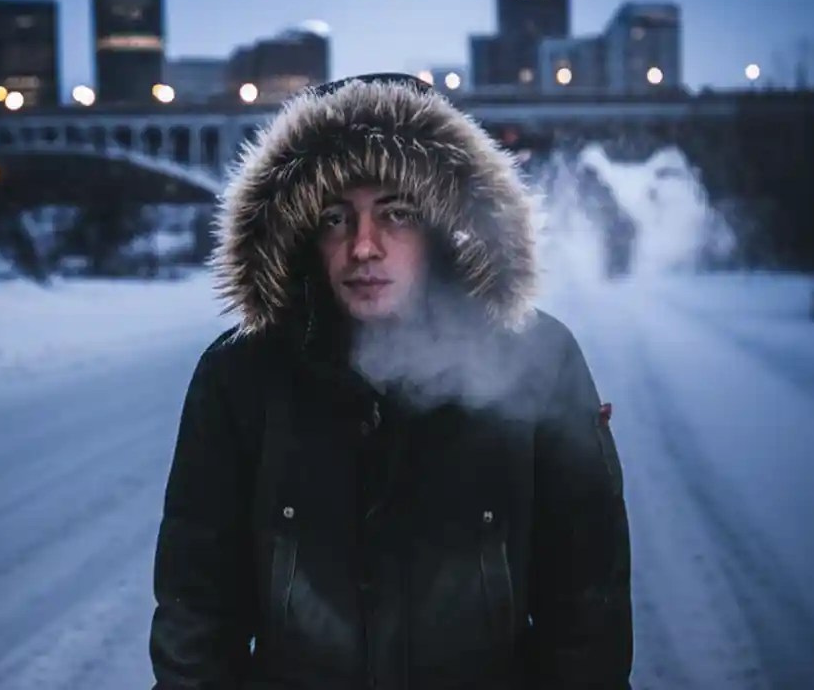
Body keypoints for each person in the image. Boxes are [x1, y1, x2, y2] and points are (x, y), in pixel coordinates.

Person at [150, 73, 632, 689]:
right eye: (334, 218)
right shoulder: (241, 380)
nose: (364, 247)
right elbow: (198, 615)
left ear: (442, 225)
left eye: (395, 213)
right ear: (300, 234)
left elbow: (586, 612)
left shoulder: (538, 360)